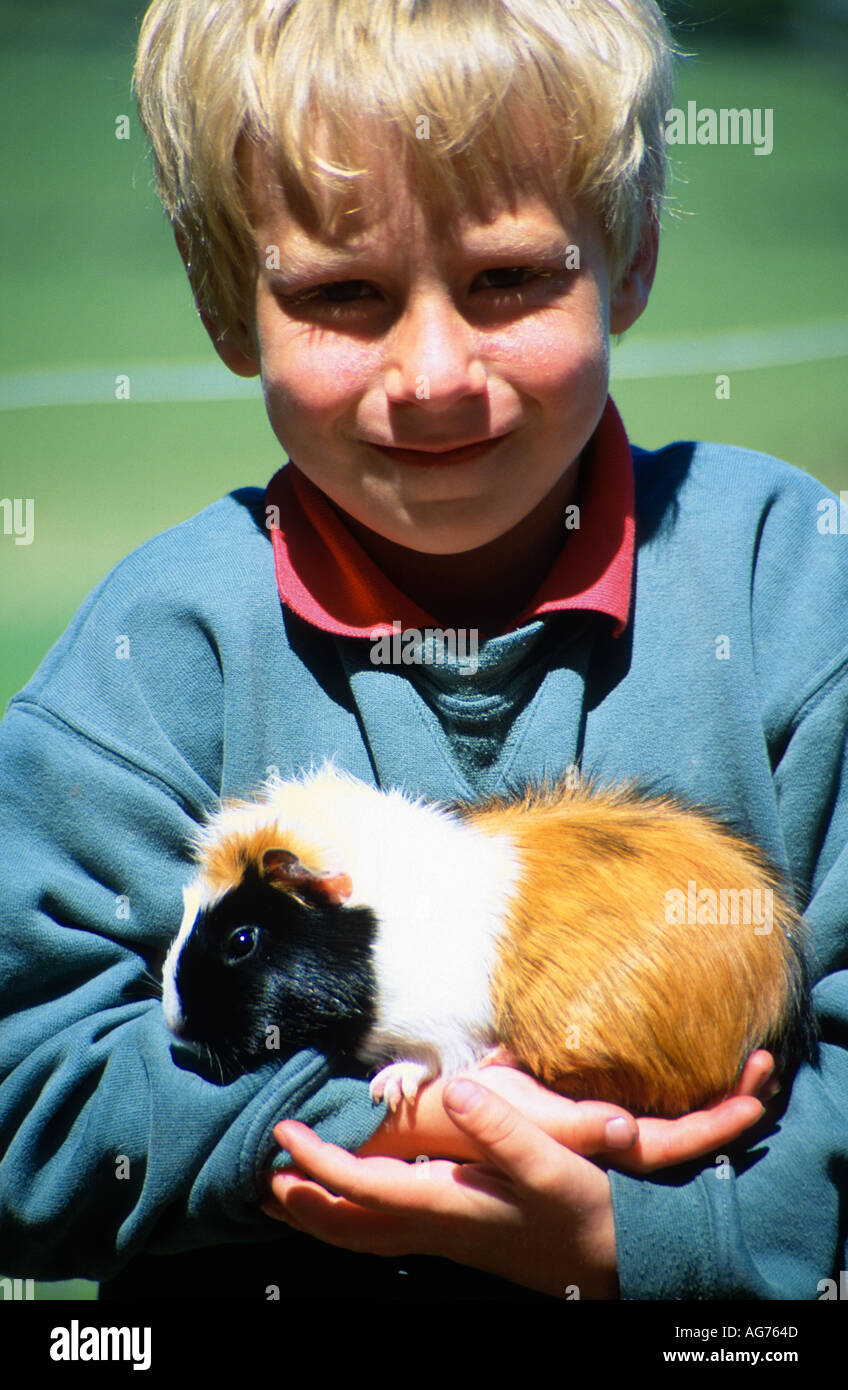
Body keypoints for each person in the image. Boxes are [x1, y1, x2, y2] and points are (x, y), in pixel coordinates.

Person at [0, 0, 845, 1302]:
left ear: (629, 251)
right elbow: (28, 1118)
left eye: (509, 277)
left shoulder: (798, 593)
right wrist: (404, 1124)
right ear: (229, 304)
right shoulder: (150, 655)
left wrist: (661, 1247)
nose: (436, 371)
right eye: (344, 292)